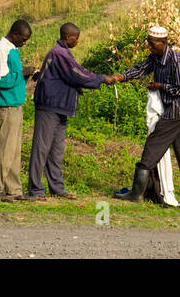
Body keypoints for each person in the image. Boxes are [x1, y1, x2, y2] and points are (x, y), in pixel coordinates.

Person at [110, 25, 180, 213]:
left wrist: (161, 86)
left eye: (152, 44)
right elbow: (140, 69)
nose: (150, 47)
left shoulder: (175, 59)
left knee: (154, 144)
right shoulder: (155, 57)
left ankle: (136, 194)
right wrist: (120, 77)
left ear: (163, 42)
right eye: (148, 43)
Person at [24, 22, 115, 201]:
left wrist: (78, 87)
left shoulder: (64, 53)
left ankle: (57, 188)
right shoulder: (60, 54)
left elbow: (73, 75)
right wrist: (102, 78)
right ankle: (35, 189)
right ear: (67, 37)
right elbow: (77, 74)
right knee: (41, 149)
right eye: (76, 38)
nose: (78, 41)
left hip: (60, 108)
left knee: (56, 150)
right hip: (49, 106)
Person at [0, 19, 32, 202]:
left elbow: (13, 77)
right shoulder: (2, 49)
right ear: (14, 34)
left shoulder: (13, 49)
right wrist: (22, 73)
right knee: (4, 150)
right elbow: (0, 79)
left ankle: (14, 190)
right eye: (23, 38)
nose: (24, 42)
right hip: (6, 107)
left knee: (14, 151)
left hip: (15, 105)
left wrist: (27, 75)